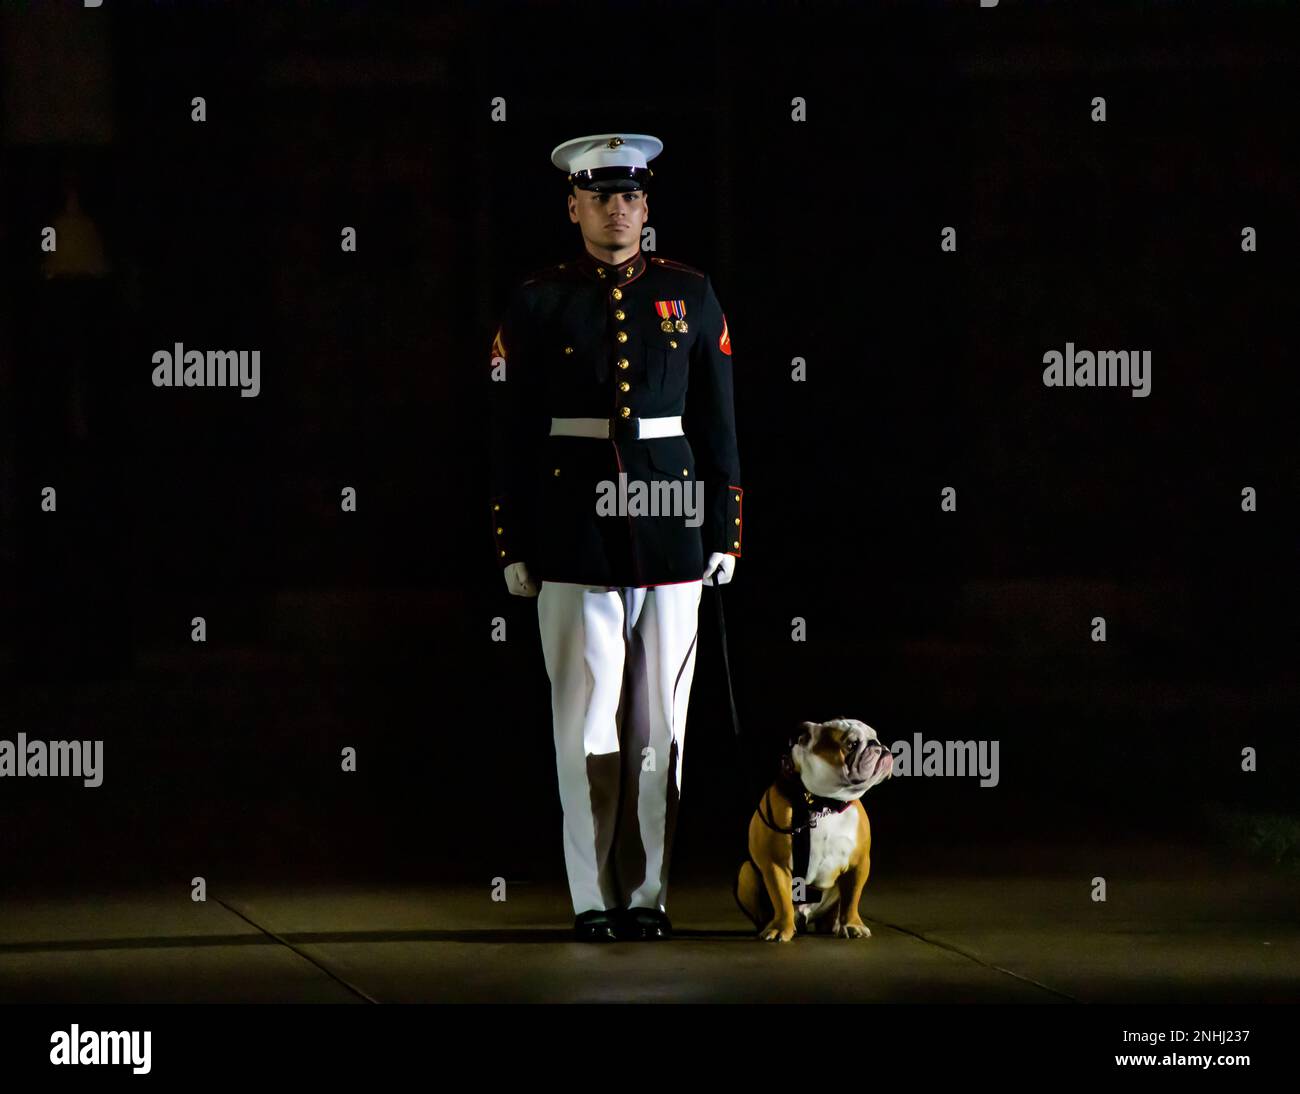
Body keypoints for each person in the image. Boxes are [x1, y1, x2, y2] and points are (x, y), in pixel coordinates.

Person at [488, 133, 742, 941]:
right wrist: (511, 540)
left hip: (670, 522)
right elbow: (508, 431)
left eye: (630, 197)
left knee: (662, 726)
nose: (617, 210)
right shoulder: (537, 299)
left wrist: (727, 528)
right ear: (573, 206)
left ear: (646, 205)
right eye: (600, 197)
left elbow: (718, 421)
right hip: (571, 527)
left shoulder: (691, 293)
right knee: (587, 722)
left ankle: (649, 897)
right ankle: (593, 896)